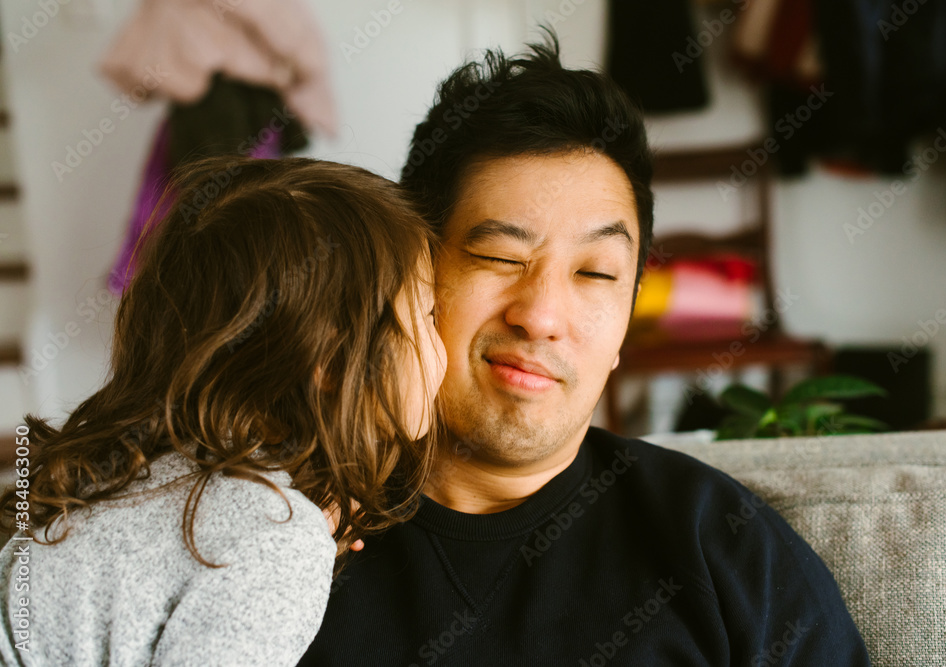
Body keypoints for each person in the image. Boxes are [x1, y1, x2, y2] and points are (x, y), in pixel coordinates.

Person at [300, 33, 870, 666]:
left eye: (595, 274)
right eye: (499, 257)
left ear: (627, 316)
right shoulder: (293, 535)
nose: (541, 317)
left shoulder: (725, 548)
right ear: (411, 276)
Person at [0, 156, 446, 666]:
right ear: (336, 360)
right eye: (428, 314)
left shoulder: (149, 469)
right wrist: (290, 547)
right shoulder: (274, 542)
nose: (442, 345)